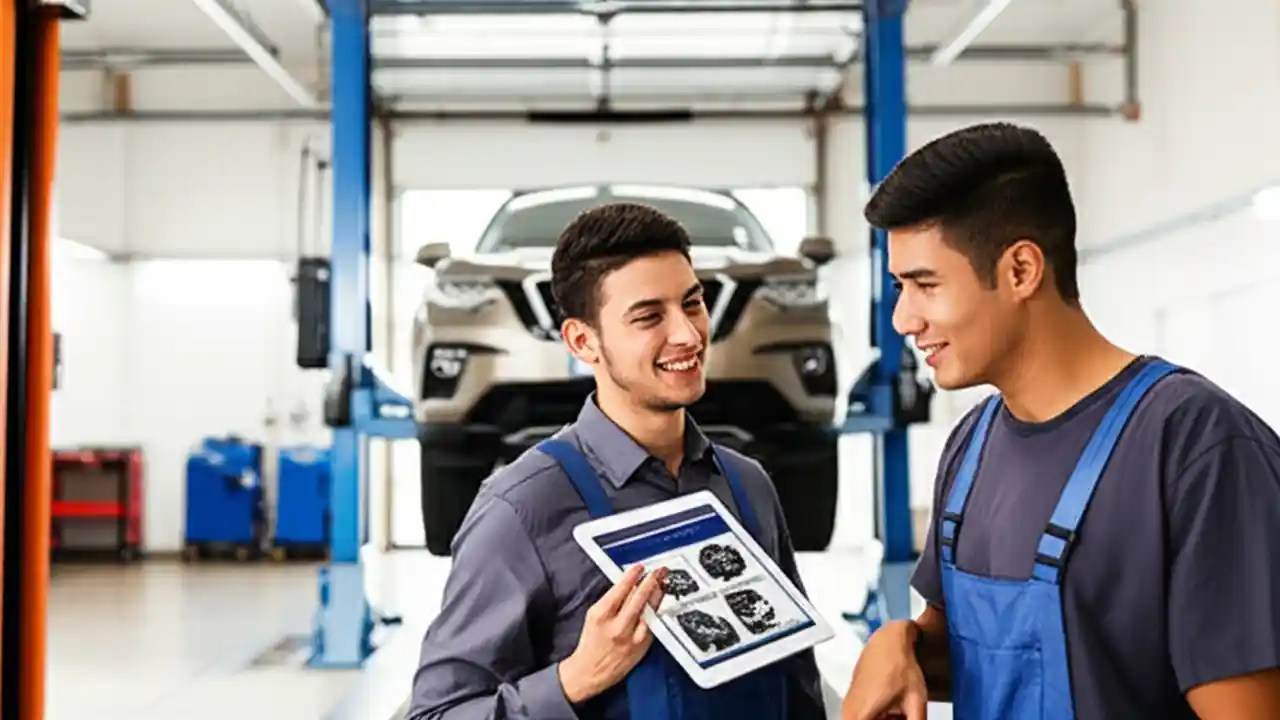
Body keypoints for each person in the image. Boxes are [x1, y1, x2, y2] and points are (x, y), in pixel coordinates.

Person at [840, 122, 1280, 719]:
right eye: (900, 286)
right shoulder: (971, 447)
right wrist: (900, 645)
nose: (903, 319)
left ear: (1021, 269)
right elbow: (976, 656)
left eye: (925, 285)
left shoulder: (1195, 447)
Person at [407, 202, 826, 719]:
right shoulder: (523, 509)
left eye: (692, 304)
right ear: (584, 341)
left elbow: (798, 687)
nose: (689, 335)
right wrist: (572, 681)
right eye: (650, 317)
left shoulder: (747, 487)